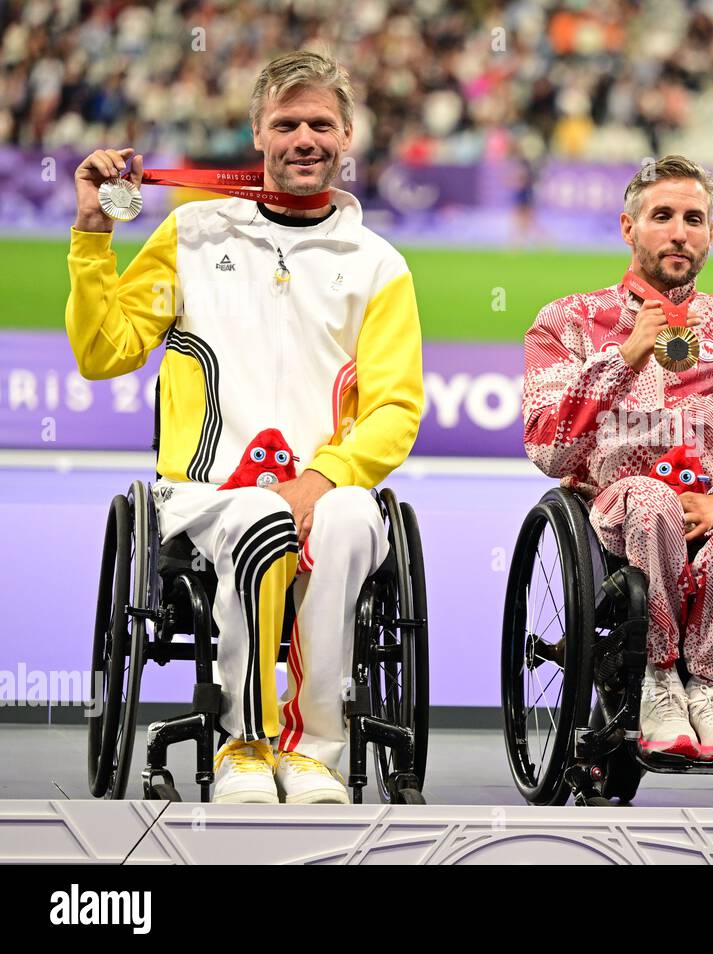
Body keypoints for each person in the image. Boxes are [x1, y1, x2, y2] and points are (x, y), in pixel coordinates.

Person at [65, 51, 424, 803]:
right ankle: (244, 744)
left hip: (325, 488)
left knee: (355, 520)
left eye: (320, 123)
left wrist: (321, 480)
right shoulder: (191, 233)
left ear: (348, 135)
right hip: (205, 497)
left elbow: (395, 409)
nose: (304, 137)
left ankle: (314, 751)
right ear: (257, 132)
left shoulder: (378, 265)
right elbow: (105, 352)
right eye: (286, 122)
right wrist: (93, 237)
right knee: (264, 516)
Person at [522, 155, 713, 760]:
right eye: (663, 216)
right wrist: (624, 357)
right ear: (629, 228)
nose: (680, 232)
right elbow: (546, 446)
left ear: (712, 234)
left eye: (694, 219)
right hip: (617, 509)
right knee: (652, 501)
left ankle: (708, 686)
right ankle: (657, 679)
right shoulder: (568, 321)